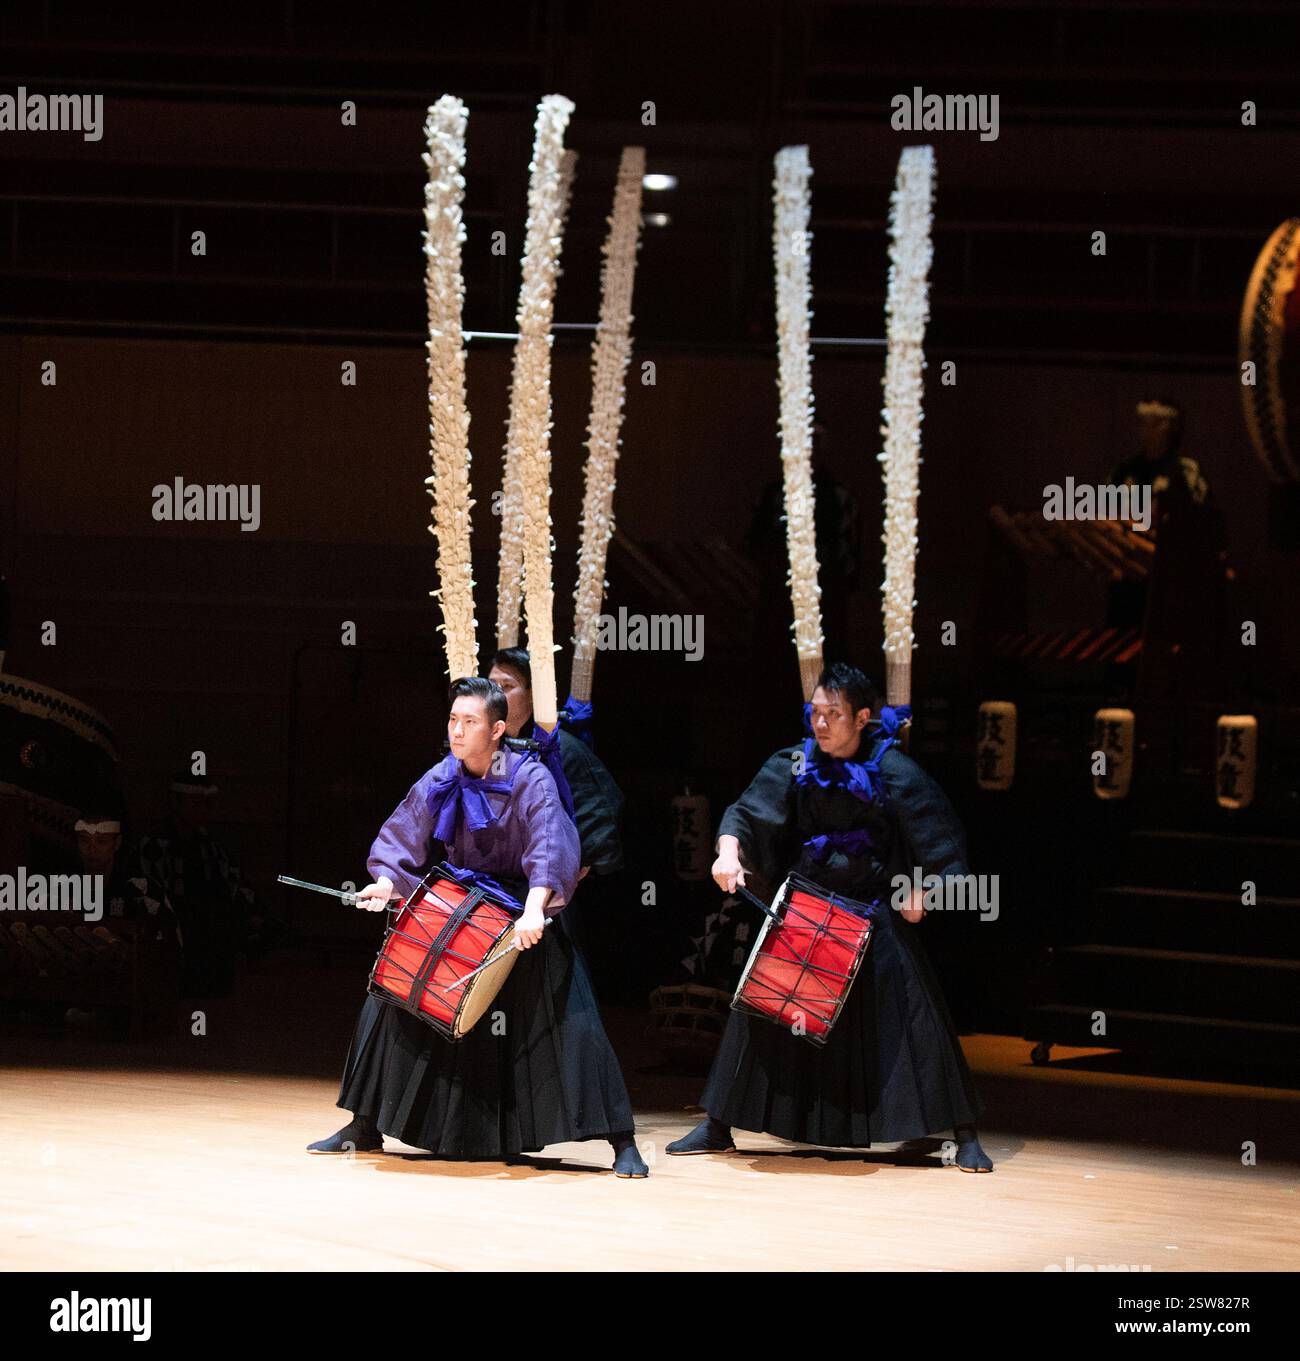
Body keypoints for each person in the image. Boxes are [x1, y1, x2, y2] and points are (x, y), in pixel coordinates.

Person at [308, 676, 648, 1178]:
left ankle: (621, 1140)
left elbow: (550, 844)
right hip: (459, 903)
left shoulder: (531, 776)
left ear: (497, 729)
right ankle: (365, 1124)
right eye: (453, 720)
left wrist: (535, 910)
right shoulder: (445, 774)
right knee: (394, 992)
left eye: (469, 722)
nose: (457, 731)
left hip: (519, 905)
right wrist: (384, 883)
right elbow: (404, 832)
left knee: (571, 1020)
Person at [666, 662, 993, 1172]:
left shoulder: (894, 770)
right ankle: (719, 1125)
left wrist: (926, 891)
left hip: (871, 912)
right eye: (815, 713)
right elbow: (746, 813)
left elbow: (943, 843)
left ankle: (964, 1134)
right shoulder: (796, 762)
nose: (821, 724)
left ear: (863, 717)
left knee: (915, 1022)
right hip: (807, 909)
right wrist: (728, 852)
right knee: (764, 1009)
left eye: (833, 714)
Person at [135, 774, 285, 995]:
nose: (202, 810)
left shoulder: (210, 844)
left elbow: (232, 882)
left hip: (211, 921)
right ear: (176, 802)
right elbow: (150, 889)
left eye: (206, 804)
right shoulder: (156, 843)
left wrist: (252, 910)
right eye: (194, 803)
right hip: (175, 920)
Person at [486, 647, 624, 877]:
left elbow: (597, 815)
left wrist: (579, 866)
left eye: (508, 686)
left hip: (558, 879)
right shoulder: (485, 745)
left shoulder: (561, 748)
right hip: (504, 873)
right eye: (491, 686)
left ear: (532, 694)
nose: (497, 695)